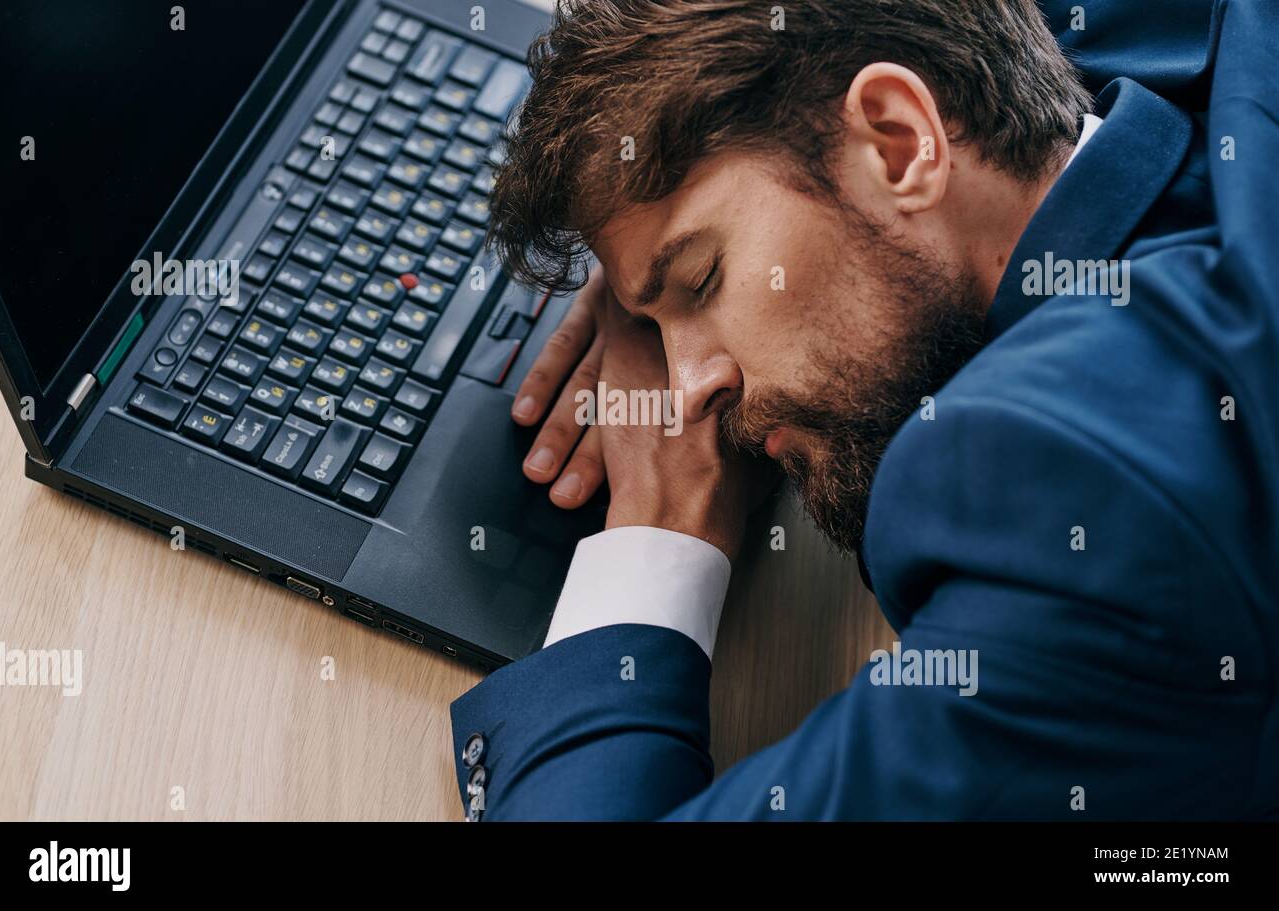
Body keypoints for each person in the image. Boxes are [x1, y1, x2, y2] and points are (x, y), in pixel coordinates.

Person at [449, 0, 1279, 820]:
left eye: (702, 278)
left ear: (901, 140)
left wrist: (658, 529)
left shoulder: (1074, 494)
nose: (688, 385)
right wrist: (644, 224)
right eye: (654, 318)